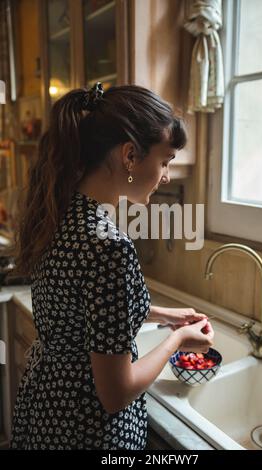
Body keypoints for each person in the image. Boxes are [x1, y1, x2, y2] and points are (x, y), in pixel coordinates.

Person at [10, 83, 214, 450]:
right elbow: (116, 394)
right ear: (130, 156)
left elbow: (81, 306)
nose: (166, 175)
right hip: (88, 430)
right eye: (165, 160)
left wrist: (161, 314)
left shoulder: (61, 213)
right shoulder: (109, 247)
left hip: (46, 407)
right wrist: (178, 339)